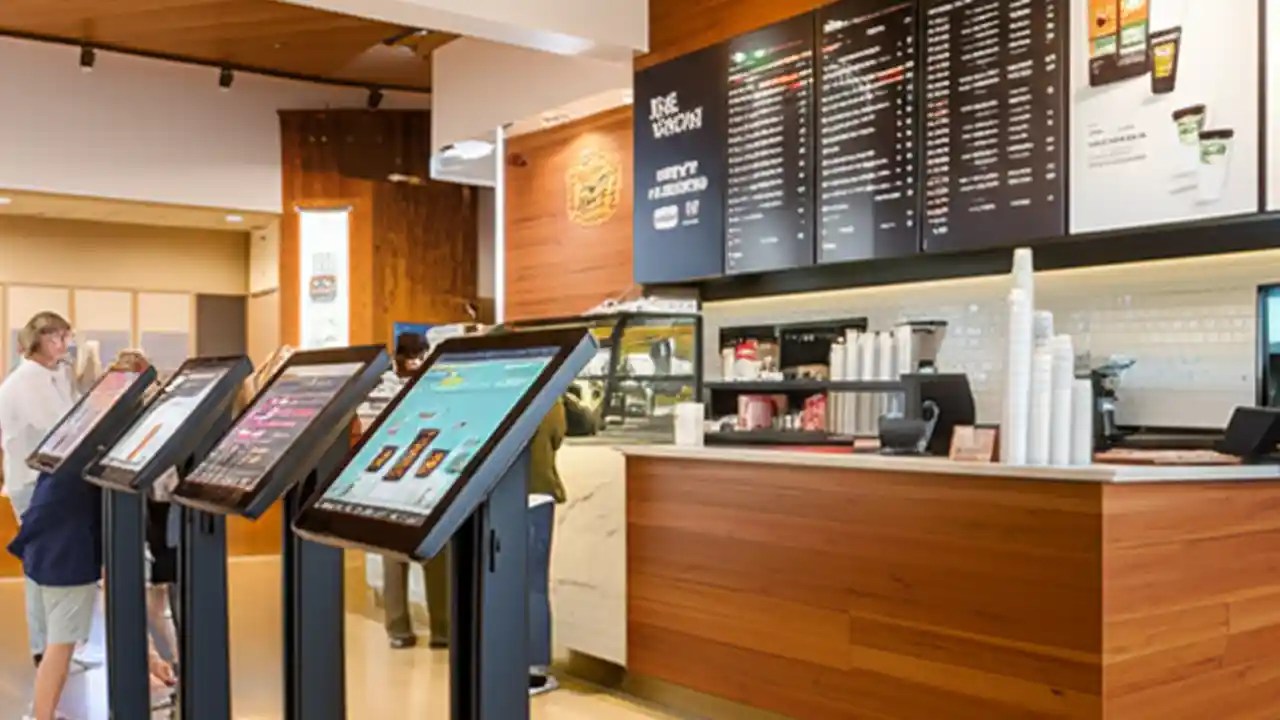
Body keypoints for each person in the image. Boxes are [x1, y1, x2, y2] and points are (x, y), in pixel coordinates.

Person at [0, 312, 77, 671]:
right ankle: (45, 651)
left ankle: (46, 649)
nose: (62, 344)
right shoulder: (30, 379)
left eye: (64, 336)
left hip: (40, 481)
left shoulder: (52, 375)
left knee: (40, 567)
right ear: (35, 341)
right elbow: (61, 428)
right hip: (34, 483)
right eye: (53, 338)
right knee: (43, 568)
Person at [382, 332, 451, 649]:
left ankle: (399, 629)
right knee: (434, 552)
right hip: (424, 474)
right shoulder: (433, 384)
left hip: (389, 477)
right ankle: (442, 629)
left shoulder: (382, 386)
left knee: (393, 556)